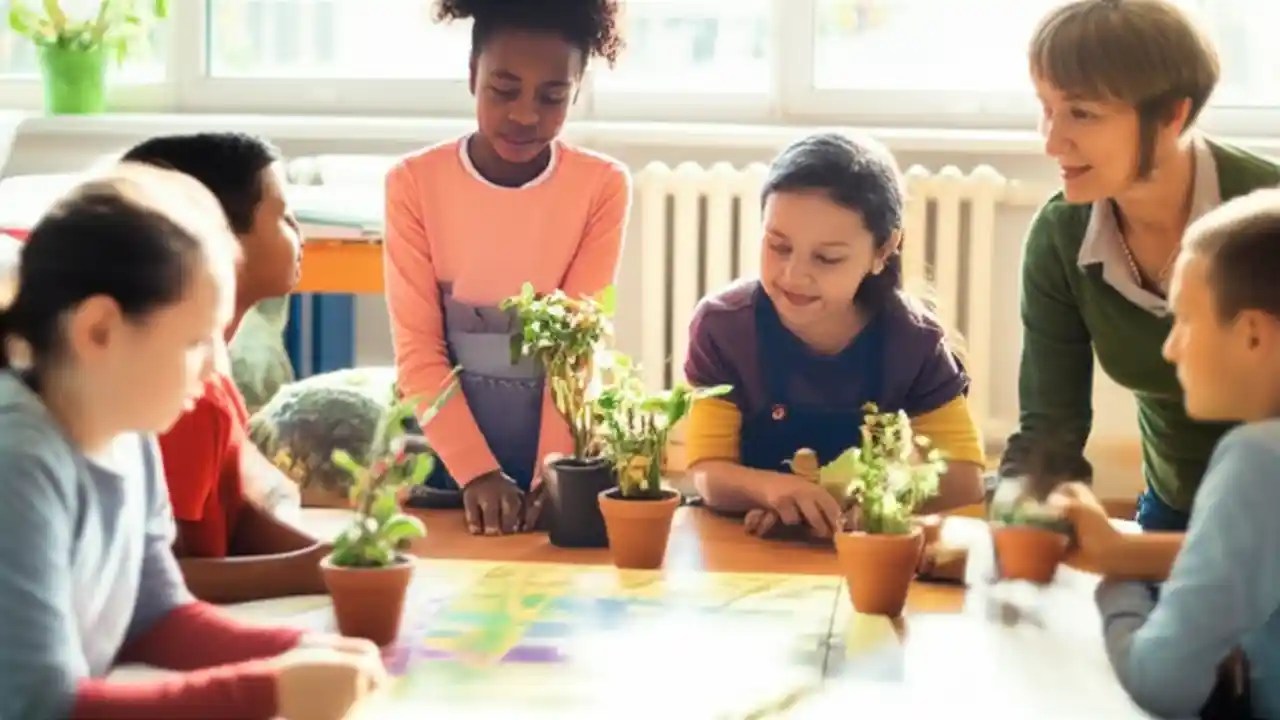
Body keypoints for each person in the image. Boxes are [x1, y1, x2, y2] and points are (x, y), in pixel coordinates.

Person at [0, 164, 384, 720]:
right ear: (98, 331)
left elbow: (156, 617)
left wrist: (297, 652)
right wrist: (270, 690)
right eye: (195, 341)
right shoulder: (19, 465)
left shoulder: (129, 433)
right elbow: (44, 707)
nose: (212, 370)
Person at [1000, 0, 1280, 531]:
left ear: (1172, 114)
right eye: (1046, 107)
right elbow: (1048, 433)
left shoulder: (1269, 213)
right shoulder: (1061, 236)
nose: (1051, 140)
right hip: (1172, 515)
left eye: (1082, 112)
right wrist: (1017, 521)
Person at [384, 0, 630, 536]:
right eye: (504, 88)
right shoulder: (413, 183)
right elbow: (418, 352)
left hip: (557, 457)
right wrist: (477, 471)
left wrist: (553, 473)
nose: (524, 114)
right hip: (446, 460)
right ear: (472, 75)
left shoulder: (602, 187)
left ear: (577, 90)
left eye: (553, 96)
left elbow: (575, 354)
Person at [684, 132, 987, 540]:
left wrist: (873, 502)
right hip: (747, 542)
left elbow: (964, 477)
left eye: (827, 258)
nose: (794, 274)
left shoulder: (913, 340)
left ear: (884, 250)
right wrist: (773, 490)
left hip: (862, 546)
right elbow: (707, 470)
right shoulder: (723, 327)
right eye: (778, 245)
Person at [1050, 189, 1280, 719]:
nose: (1170, 347)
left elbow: (1161, 684)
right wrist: (1120, 549)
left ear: (1250, 334)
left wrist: (1116, 585)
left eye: (1183, 320)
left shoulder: (1258, 459)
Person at [121, 132, 331, 604]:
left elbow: (235, 515)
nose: (299, 232)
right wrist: (309, 572)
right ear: (218, 237)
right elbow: (159, 582)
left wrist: (338, 557)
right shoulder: (179, 396)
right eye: (282, 216)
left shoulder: (213, 373)